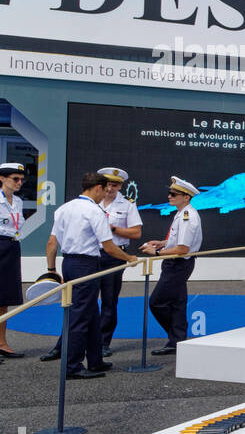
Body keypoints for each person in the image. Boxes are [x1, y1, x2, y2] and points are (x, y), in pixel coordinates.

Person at [43, 172, 136, 378]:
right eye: (104, 190)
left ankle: (95, 360)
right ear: (97, 188)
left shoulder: (63, 209)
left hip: (68, 262)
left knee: (92, 311)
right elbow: (109, 247)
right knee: (80, 316)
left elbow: (51, 243)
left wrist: (51, 270)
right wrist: (129, 258)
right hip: (87, 264)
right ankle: (72, 366)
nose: (105, 195)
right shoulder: (95, 212)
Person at [141, 177, 202, 356]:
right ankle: (178, 341)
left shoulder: (187, 216)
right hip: (177, 264)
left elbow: (183, 249)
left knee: (157, 302)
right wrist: (162, 243)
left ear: (186, 197)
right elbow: (178, 241)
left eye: (174, 194)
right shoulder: (182, 213)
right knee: (177, 303)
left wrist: (157, 253)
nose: (169, 196)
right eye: (170, 193)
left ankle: (178, 338)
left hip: (178, 264)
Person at [96, 167, 142, 356]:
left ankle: (103, 342)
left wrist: (113, 229)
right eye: (107, 184)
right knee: (84, 300)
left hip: (114, 256)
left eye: (114, 185)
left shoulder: (127, 205)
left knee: (109, 300)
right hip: (92, 254)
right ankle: (76, 340)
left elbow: (136, 233)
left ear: (120, 186)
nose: (109, 188)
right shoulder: (92, 202)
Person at [0, 162, 27, 358]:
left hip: (11, 246)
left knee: (4, 298)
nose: (19, 182)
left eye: (21, 180)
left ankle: (1, 343)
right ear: (2, 178)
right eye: (15, 179)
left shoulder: (17, 201)